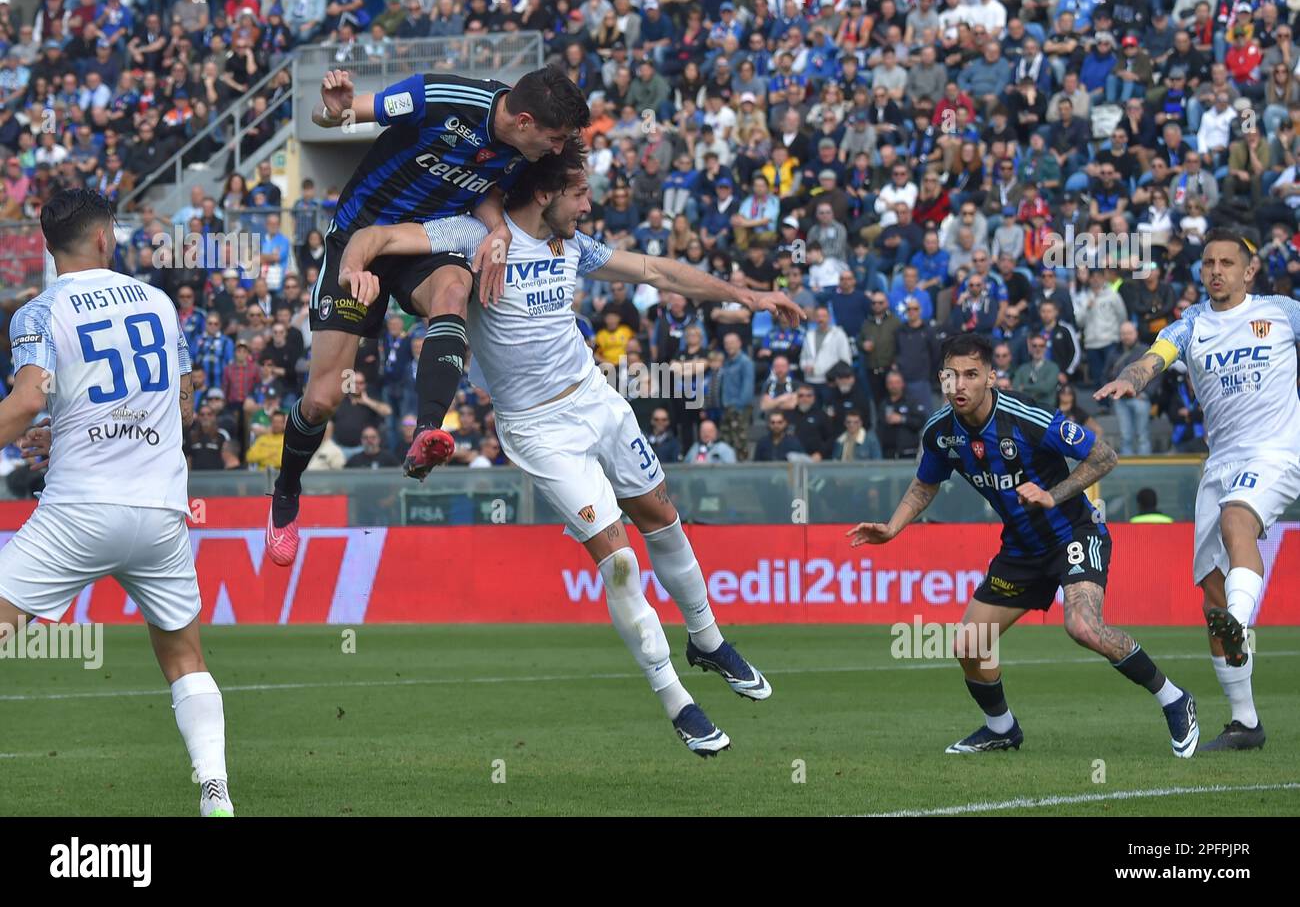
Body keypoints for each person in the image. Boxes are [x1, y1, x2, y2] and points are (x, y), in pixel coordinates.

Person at [335, 140, 805, 755]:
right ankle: (676, 700)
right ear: (544, 192)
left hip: (597, 402)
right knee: (620, 561)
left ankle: (707, 639)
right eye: (579, 192)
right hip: (538, 429)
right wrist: (354, 267)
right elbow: (374, 236)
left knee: (662, 518)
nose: (589, 204)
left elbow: (657, 271)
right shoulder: (468, 236)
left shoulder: (573, 246)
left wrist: (748, 297)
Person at [266, 65, 591, 566]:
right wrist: (327, 110)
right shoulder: (443, 98)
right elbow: (345, 112)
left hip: (425, 241)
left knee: (454, 289)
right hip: (362, 240)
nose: (555, 148)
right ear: (524, 121)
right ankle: (286, 490)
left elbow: (486, 187)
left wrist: (497, 229)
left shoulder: (526, 151)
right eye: (552, 138)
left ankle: (427, 432)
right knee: (324, 398)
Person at [850, 333, 1197, 757]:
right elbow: (925, 485)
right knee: (967, 646)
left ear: (991, 378)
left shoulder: (1025, 416)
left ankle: (1175, 698)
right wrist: (892, 528)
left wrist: (1056, 493)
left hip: (1073, 532)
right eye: (950, 376)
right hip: (1021, 548)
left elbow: (1105, 456)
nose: (959, 385)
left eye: (971, 375)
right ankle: (1001, 729)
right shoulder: (941, 431)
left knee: (1083, 626)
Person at [0, 189, 233, 815]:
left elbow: (25, 404)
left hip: (80, 510)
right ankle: (215, 793)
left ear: (50, 248)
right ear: (106, 238)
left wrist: (60, 421)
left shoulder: (38, 313)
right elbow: (182, 406)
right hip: (160, 514)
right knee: (185, 656)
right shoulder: (159, 302)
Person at [1096, 229, 1300, 751]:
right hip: (1220, 462)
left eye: (1228, 263)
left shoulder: (1281, 312)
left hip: (1276, 453)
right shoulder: (1190, 324)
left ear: (1249, 270)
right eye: (1208, 262)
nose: (1216, 271)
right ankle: (1245, 723)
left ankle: (1239, 620)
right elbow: (1154, 358)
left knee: (1238, 521)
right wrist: (1132, 378)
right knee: (1211, 592)